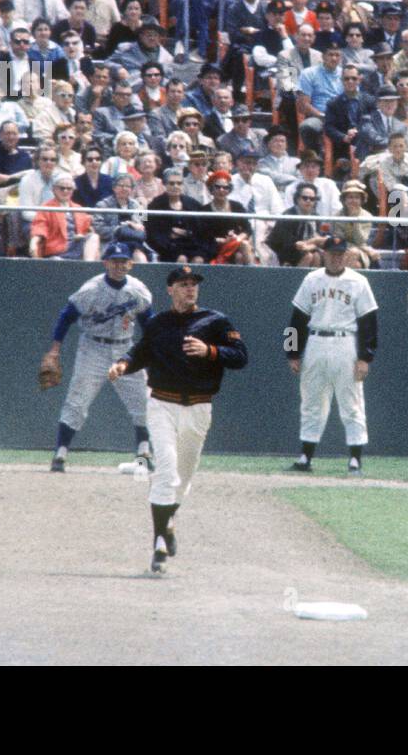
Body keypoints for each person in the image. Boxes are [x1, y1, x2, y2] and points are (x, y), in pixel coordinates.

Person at [109, 264, 248, 574]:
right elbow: (142, 352)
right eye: (183, 284)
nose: (190, 289)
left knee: (183, 479)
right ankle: (158, 543)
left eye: (193, 284)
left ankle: (169, 522)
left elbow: (240, 356)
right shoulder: (158, 323)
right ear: (170, 289)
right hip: (162, 404)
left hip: (199, 408)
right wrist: (123, 364)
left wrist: (210, 351)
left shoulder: (215, 321)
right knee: (167, 471)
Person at [43, 242, 154, 473]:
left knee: (144, 401)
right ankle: (60, 454)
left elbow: (148, 325)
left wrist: (149, 353)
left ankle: (143, 454)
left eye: (123, 261)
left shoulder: (138, 290)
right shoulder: (90, 290)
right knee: (77, 400)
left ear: (131, 264)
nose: (119, 266)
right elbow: (66, 317)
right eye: (114, 261)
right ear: (106, 263)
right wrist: (55, 350)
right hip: (93, 348)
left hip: (125, 349)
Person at [286, 236, 378, 475]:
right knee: (311, 401)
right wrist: (292, 352)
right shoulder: (311, 279)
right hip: (316, 341)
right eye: (332, 253)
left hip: (345, 342)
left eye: (340, 253)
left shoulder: (358, 281)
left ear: (347, 255)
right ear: (323, 254)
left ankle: (355, 459)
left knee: (351, 402)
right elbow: (296, 319)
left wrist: (365, 357)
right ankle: (306, 456)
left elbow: (369, 323)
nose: (336, 257)